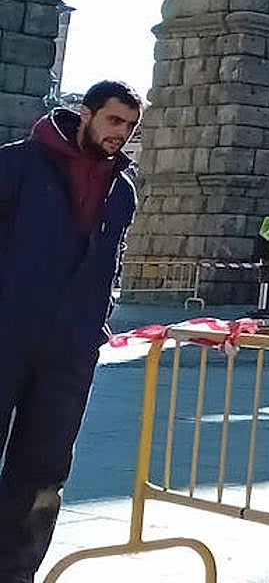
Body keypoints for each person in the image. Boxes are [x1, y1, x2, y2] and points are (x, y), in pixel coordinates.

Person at [0, 80, 142, 583]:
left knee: (42, 475)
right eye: (113, 121)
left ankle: (16, 573)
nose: (120, 135)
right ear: (86, 114)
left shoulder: (121, 190)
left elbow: (108, 265)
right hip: (6, 335)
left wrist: (91, 328)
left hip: (69, 351)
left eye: (129, 126)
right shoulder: (17, 164)